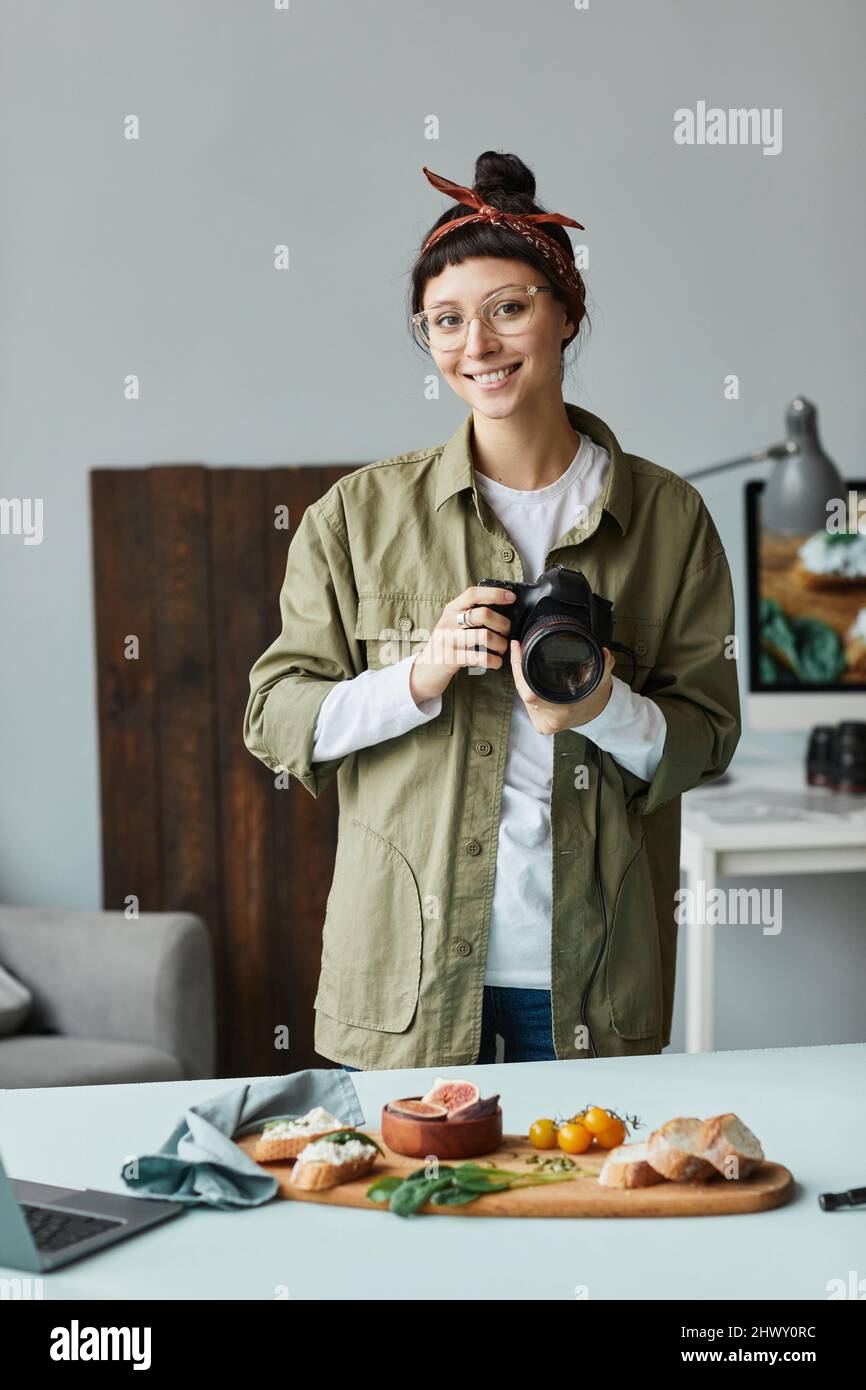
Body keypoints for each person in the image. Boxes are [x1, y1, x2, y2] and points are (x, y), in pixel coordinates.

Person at [243, 149, 741, 1071]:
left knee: (577, 1209)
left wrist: (603, 709)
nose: (478, 345)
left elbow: (708, 734)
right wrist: (419, 676)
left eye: (508, 308)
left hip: (590, 975)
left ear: (566, 313)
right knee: (413, 1208)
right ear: (427, 338)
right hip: (408, 978)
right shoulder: (355, 517)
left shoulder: (670, 519)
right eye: (446, 321)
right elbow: (274, 718)